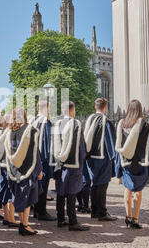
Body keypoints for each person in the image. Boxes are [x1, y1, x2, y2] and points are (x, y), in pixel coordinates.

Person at [115, 100, 149, 229]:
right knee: (138, 191)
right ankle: (136, 219)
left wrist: (118, 166)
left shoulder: (122, 123)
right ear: (139, 110)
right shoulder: (145, 125)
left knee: (127, 189)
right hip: (139, 162)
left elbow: (118, 145)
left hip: (126, 162)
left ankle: (127, 217)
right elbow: (148, 146)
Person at [51, 101, 89, 231]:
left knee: (61, 192)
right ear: (72, 110)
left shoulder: (57, 124)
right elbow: (81, 145)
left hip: (59, 163)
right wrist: (83, 158)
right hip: (73, 163)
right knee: (71, 192)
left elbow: (53, 145)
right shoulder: (75, 124)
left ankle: (60, 219)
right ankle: (73, 221)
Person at [4, 108, 43, 236]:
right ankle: (24, 225)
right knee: (27, 197)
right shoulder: (29, 130)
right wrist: (39, 169)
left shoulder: (10, 132)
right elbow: (34, 152)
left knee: (19, 196)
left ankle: (22, 223)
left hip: (14, 170)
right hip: (27, 169)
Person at [83, 98, 117, 222]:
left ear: (95, 106)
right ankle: (102, 212)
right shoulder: (105, 121)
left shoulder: (89, 119)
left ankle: (94, 211)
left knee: (94, 184)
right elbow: (110, 142)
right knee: (102, 184)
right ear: (105, 107)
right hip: (102, 157)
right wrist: (114, 157)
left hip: (90, 157)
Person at [30, 100, 56, 222]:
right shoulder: (45, 122)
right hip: (43, 160)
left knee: (37, 186)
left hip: (34, 157)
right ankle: (41, 211)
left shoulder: (34, 120)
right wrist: (45, 162)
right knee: (43, 186)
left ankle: (36, 210)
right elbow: (46, 144)